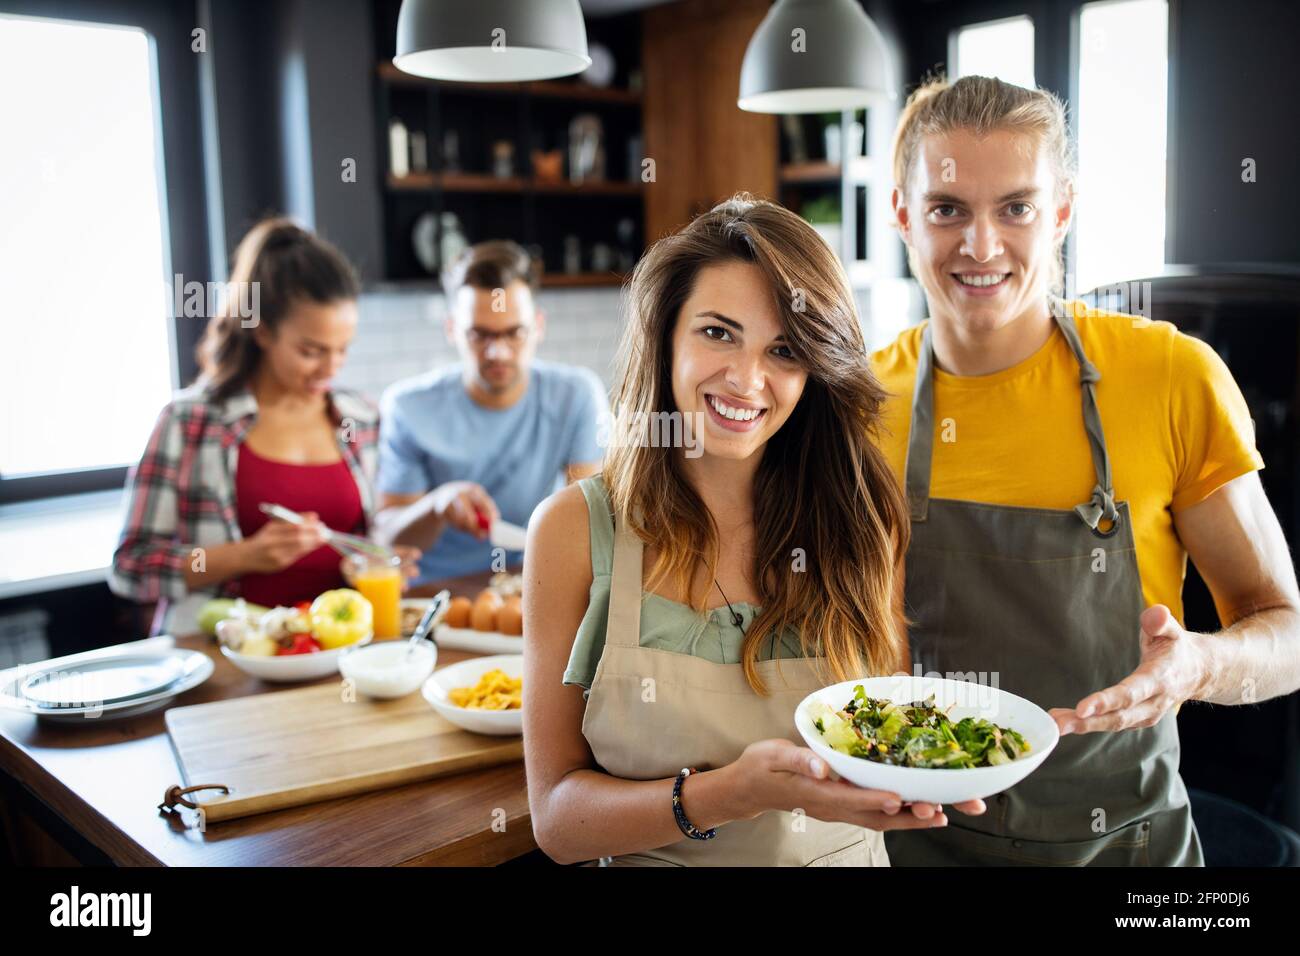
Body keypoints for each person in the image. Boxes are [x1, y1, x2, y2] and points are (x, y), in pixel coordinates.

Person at [872, 74, 1300, 866]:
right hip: (920, 843)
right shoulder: (860, 405)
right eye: (947, 209)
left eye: (1016, 207)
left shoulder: (1170, 375)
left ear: (1062, 209)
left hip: (1127, 850)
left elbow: (1287, 633)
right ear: (902, 214)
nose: (981, 246)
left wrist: (1198, 665)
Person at [523, 195, 987, 867]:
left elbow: (886, 731)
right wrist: (727, 795)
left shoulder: (860, 518)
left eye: (784, 350)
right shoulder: (573, 529)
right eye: (718, 332)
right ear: (665, 337)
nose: (747, 378)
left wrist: (932, 771)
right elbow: (558, 821)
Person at [110, 218, 414, 632]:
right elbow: (131, 566)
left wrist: (375, 558)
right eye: (311, 351)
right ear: (263, 330)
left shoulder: (361, 419)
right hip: (227, 660)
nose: (331, 368)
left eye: (342, 350)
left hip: (341, 653)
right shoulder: (190, 422)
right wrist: (245, 556)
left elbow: (374, 538)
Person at [374, 240, 607, 582]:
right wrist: (438, 506)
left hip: (527, 582)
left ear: (538, 326)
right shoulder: (408, 407)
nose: (497, 352)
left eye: (514, 333)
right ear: (452, 329)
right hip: (433, 595)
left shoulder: (575, 396)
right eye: (479, 335)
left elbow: (591, 519)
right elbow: (387, 541)